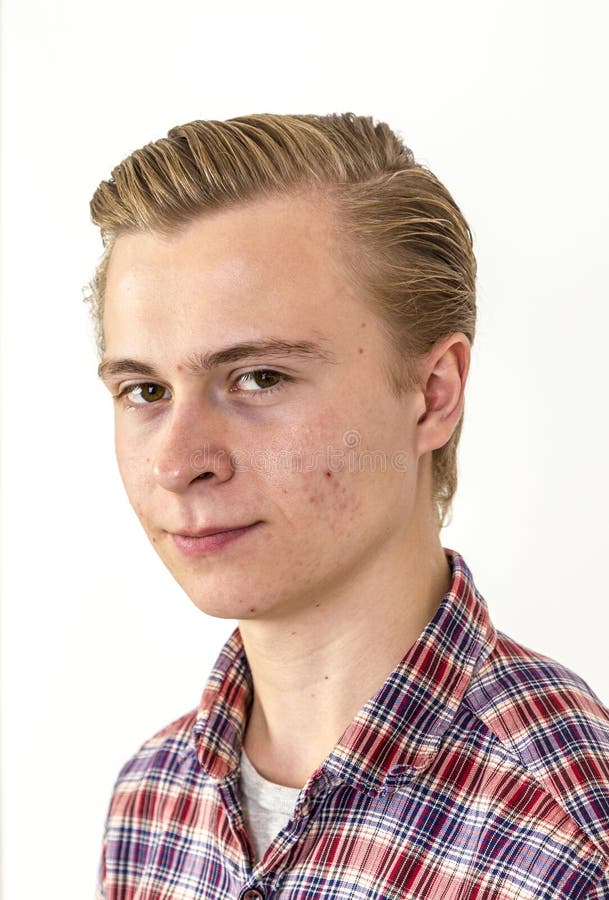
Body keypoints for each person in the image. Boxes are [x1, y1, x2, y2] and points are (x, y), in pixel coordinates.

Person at [88, 113, 609, 899]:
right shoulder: (151, 806)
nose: (176, 461)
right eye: (145, 390)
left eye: (259, 377)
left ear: (432, 395)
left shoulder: (569, 834)